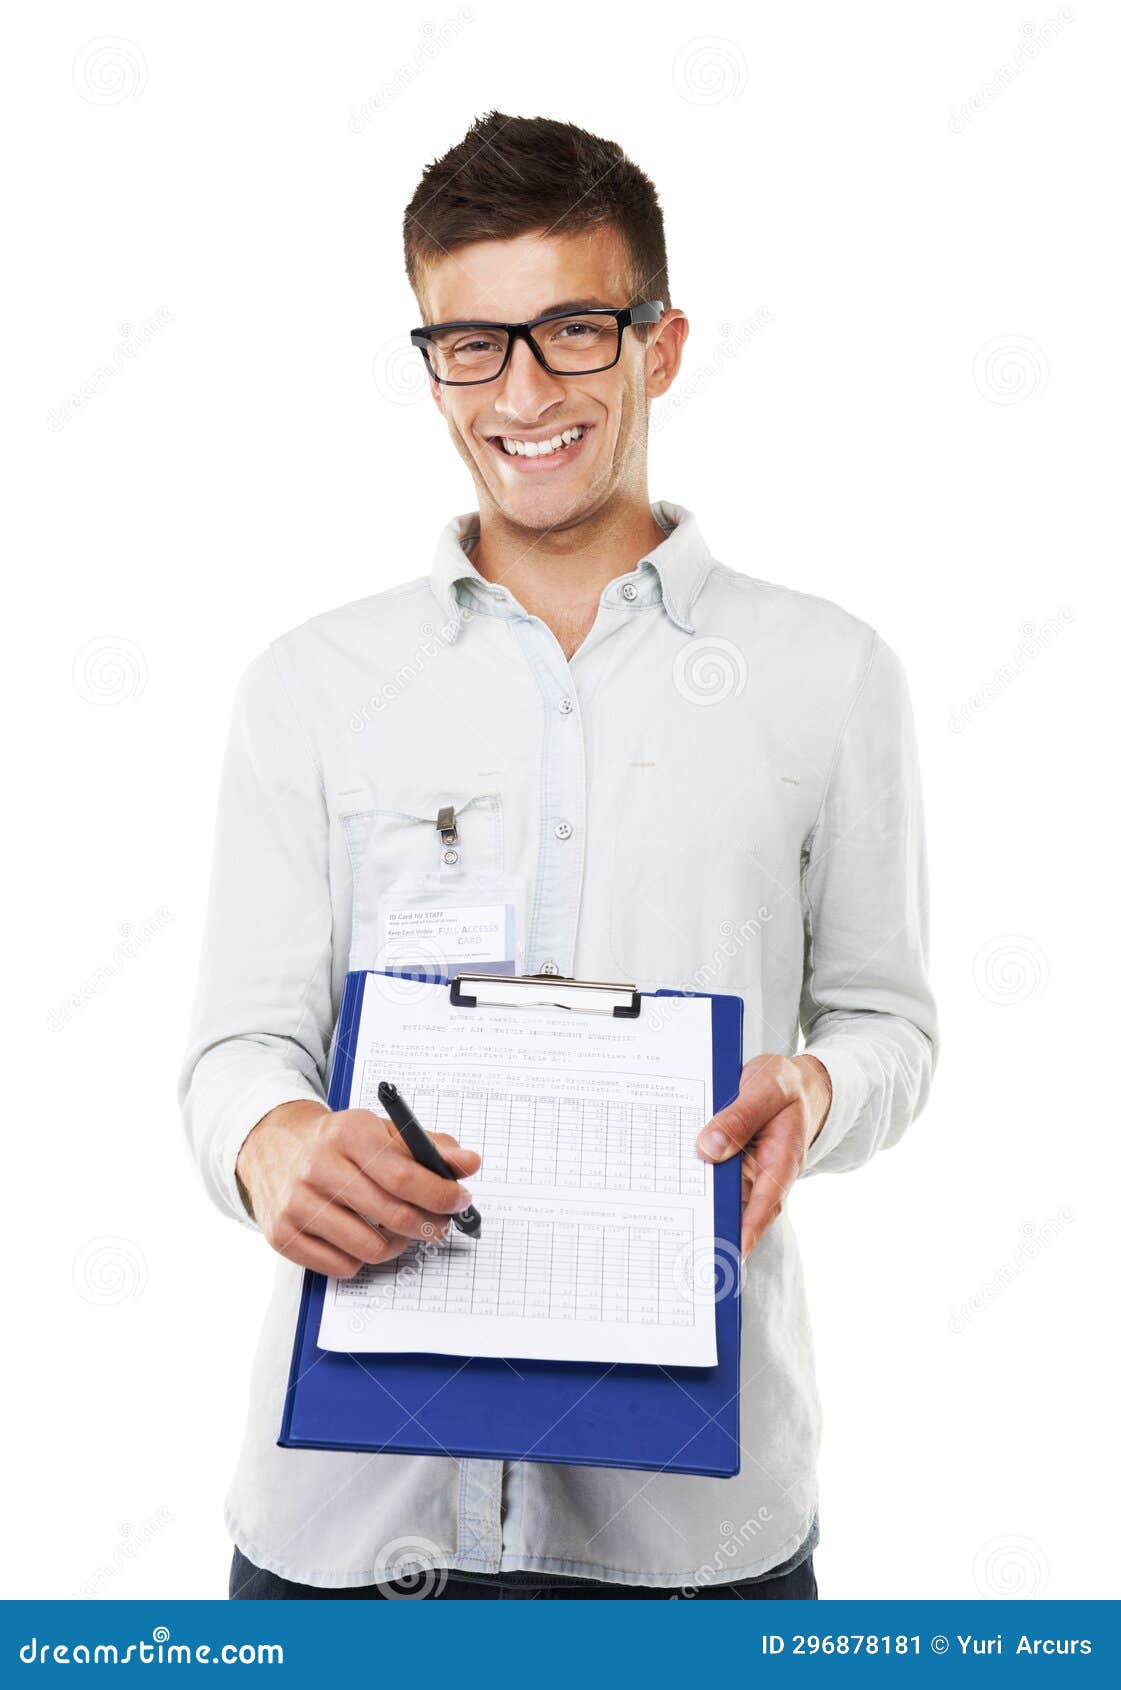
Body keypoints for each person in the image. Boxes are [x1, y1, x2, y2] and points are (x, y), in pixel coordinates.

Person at [179, 111, 938, 1600]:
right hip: (346, 1529)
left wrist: (819, 1087)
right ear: (431, 360)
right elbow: (234, 1048)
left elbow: (887, 1021)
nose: (522, 391)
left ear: (659, 346)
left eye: (573, 330)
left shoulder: (825, 674)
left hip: (690, 1542)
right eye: (472, 344)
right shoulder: (310, 684)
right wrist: (267, 1142)